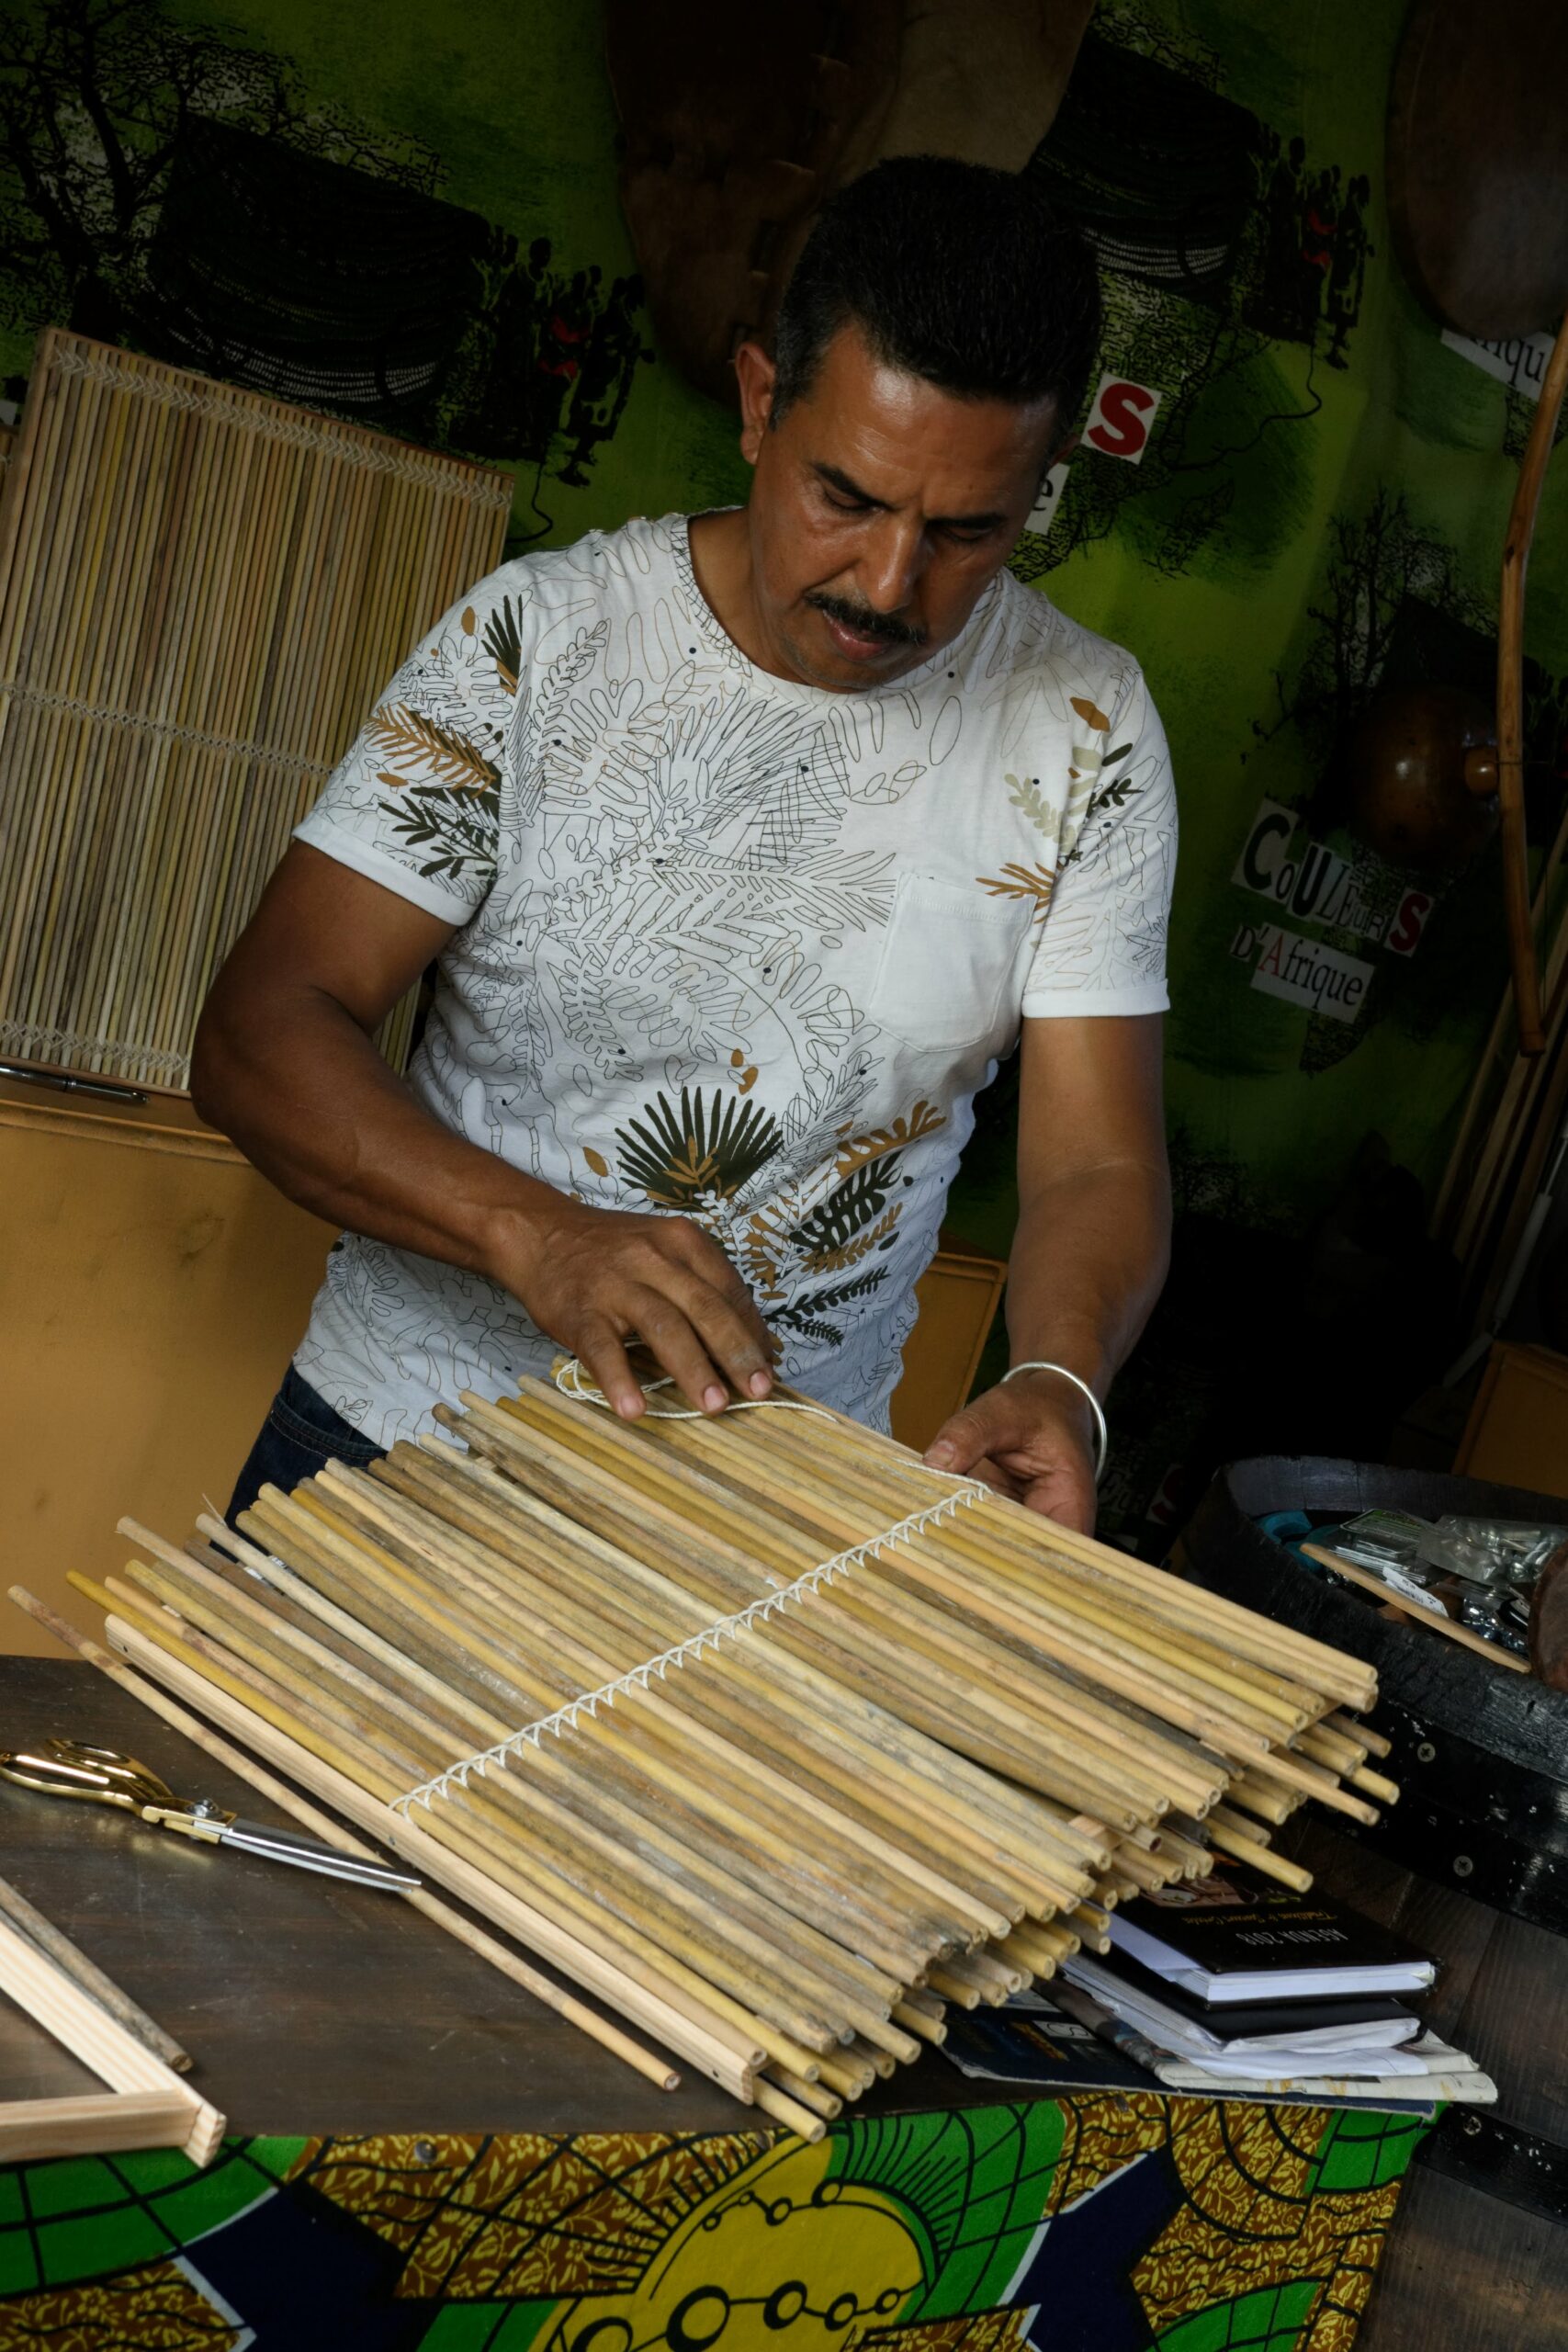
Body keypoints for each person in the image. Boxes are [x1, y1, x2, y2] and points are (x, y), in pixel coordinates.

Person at [194, 156, 1176, 1537]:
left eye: (969, 532)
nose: (890, 587)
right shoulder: (542, 641)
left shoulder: (1087, 729)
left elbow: (1095, 1164)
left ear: (1042, 482)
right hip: (406, 1447)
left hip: (768, 1509)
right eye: (847, 497)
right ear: (762, 402)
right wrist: (533, 1233)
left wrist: (1060, 1376)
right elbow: (258, 1028)